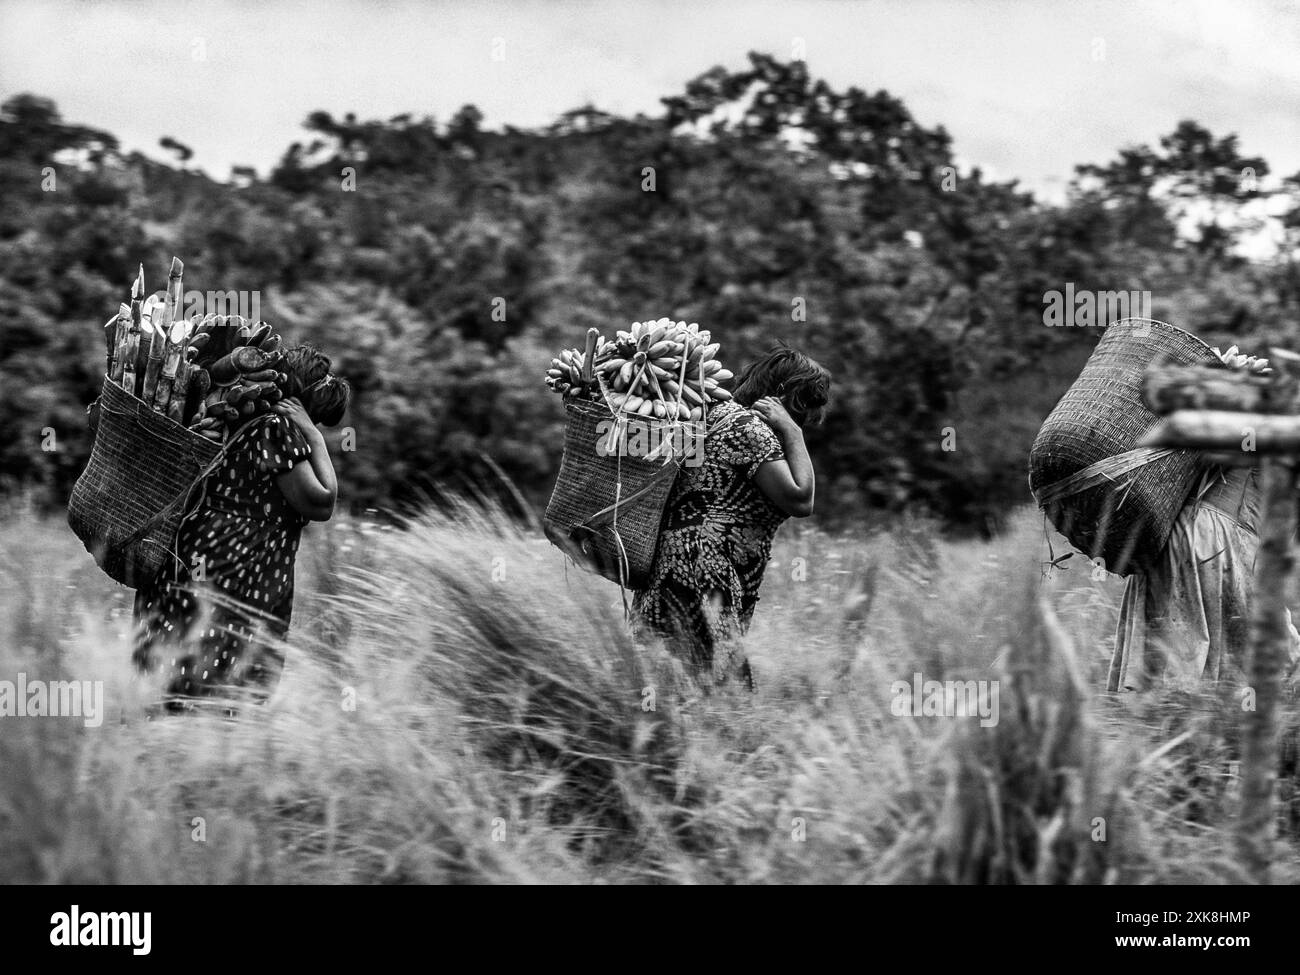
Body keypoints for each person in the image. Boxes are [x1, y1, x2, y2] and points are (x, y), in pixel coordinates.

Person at [132, 345, 350, 713]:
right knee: (228, 681)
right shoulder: (277, 428)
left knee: (178, 667)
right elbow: (322, 502)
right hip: (238, 571)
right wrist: (313, 435)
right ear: (302, 402)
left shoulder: (239, 417)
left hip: (192, 556)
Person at [632, 344, 830, 690]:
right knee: (727, 690)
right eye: (805, 408)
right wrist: (792, 432)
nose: (806, 421)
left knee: (672, 683)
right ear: (785, 395)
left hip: (668, 567)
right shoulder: (750, 428)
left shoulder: (711, 416)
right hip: (704, 571)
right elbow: (801, 499)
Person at [1108, 354, 1300, 691]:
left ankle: (1172, 728)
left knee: (1169, 673)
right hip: (1214, 544)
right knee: (1216, 672)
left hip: (1185, 539)